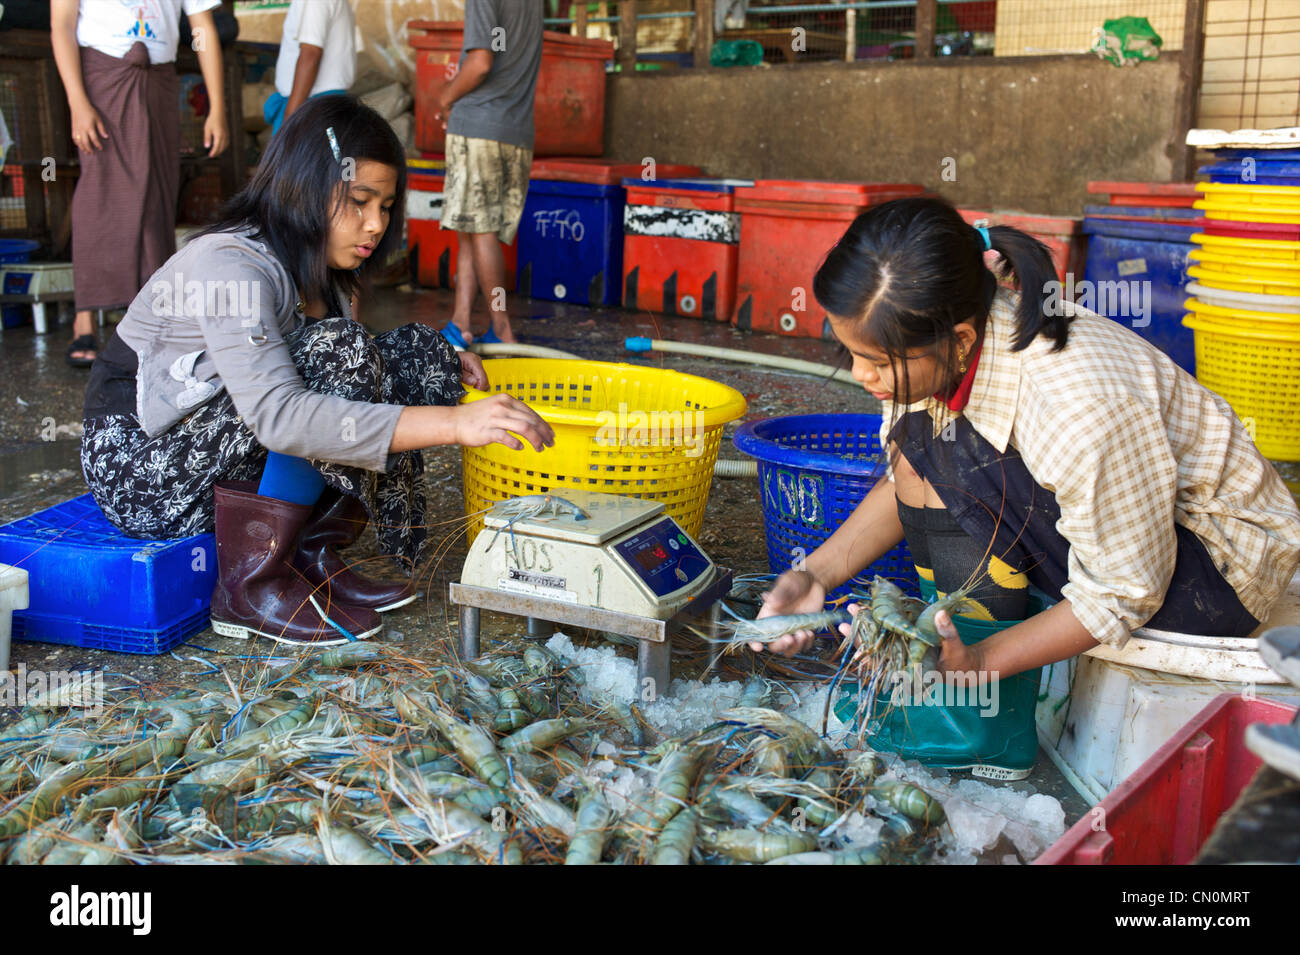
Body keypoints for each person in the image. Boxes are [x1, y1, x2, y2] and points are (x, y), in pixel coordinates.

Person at [757, 197, 1300, 730]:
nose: (860, 374)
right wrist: (813, 576)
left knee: (951, 459)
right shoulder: (943, 341)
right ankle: (958, 667)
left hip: (1214, 571)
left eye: (876, 361)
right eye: (850, 351)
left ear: (961, 340)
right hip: (1135, 533)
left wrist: (982, 662)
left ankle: (976, 699)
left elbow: (1124, 590)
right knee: (918, 443)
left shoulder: (1078, 408)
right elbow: (914, 475)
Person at [80, 95, 554, 646]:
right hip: (141, 465)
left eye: (385, 206)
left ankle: (309, 554)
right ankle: (249, 585)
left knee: (417, 351)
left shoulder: (323, 271)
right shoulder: (230, 263)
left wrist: (437, 365)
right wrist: (454, 424)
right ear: (305, 186)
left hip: (208, 438)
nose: (375, 225)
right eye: (359, 202)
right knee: (340, 352)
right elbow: (281, 415)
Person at [51, 0, 229, 368]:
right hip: (102, 76)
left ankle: (152, 318)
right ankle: (85, 316)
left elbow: (202, 29)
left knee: (157, 193)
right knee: (102, 194)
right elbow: (63, 25)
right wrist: (77, 102)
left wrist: (218, 108)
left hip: (159, 78)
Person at [433, 0, 543, 345]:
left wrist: (445, 97)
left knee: (480, 232)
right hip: (517, 130)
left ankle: (501, 327)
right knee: (473, 228)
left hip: (479, 127)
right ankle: (460, 322)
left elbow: (480, 63)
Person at [263, 0, 356, 137]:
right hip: (312, 105)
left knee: (303, 157)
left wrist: (289, 118)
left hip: (310, 107)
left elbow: (311, 55)